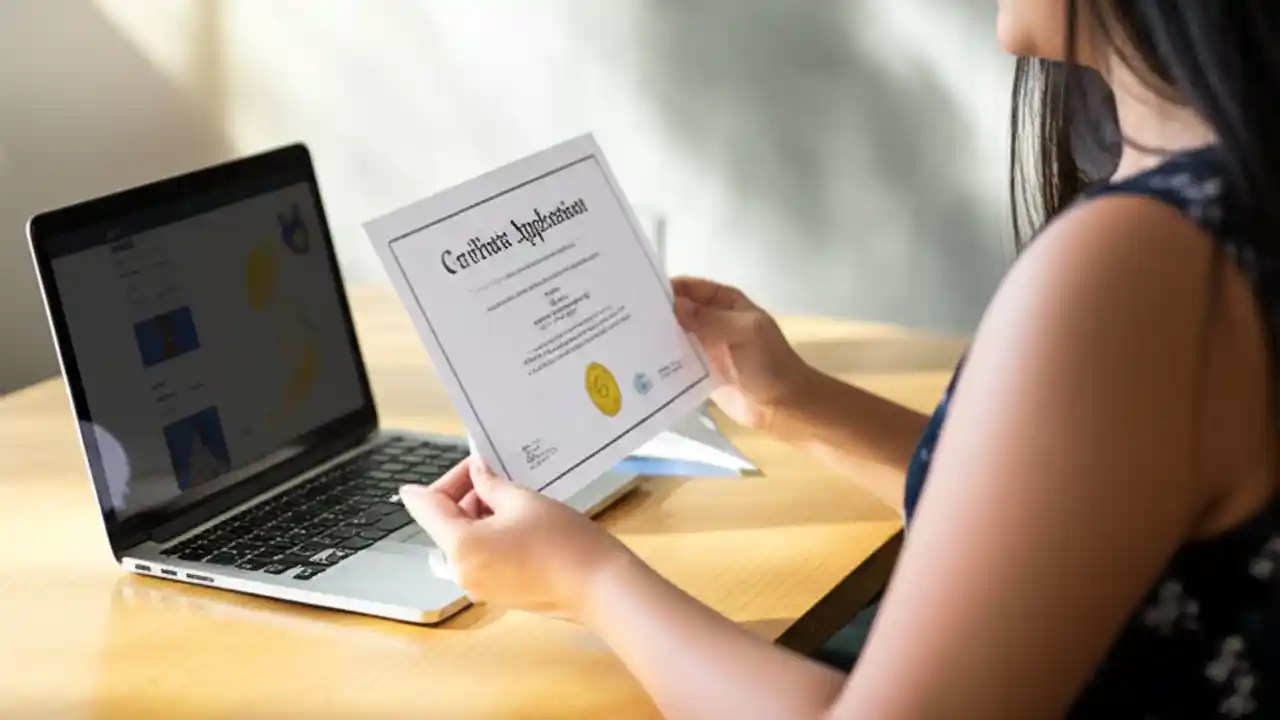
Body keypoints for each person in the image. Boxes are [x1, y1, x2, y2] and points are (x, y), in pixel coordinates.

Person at [399, 1, 1280, 716]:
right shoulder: (1227, 204)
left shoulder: (1138, 269)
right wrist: (797, 404)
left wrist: (586, 580)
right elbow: (1062, 527)